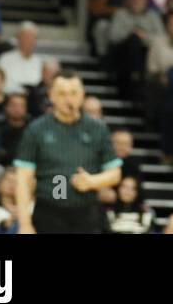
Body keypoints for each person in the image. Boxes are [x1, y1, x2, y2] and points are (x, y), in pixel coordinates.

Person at [13, 73, 122, 233]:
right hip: (48, 213)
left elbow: (115, 173)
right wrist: (24, 224)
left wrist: (92, 181)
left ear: (82, 95)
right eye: (62, 93)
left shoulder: (98, 128)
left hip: (86, 213)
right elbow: (23, 179)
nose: (68, 99)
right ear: (51, 96)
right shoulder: (36, 129)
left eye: (73, 93)